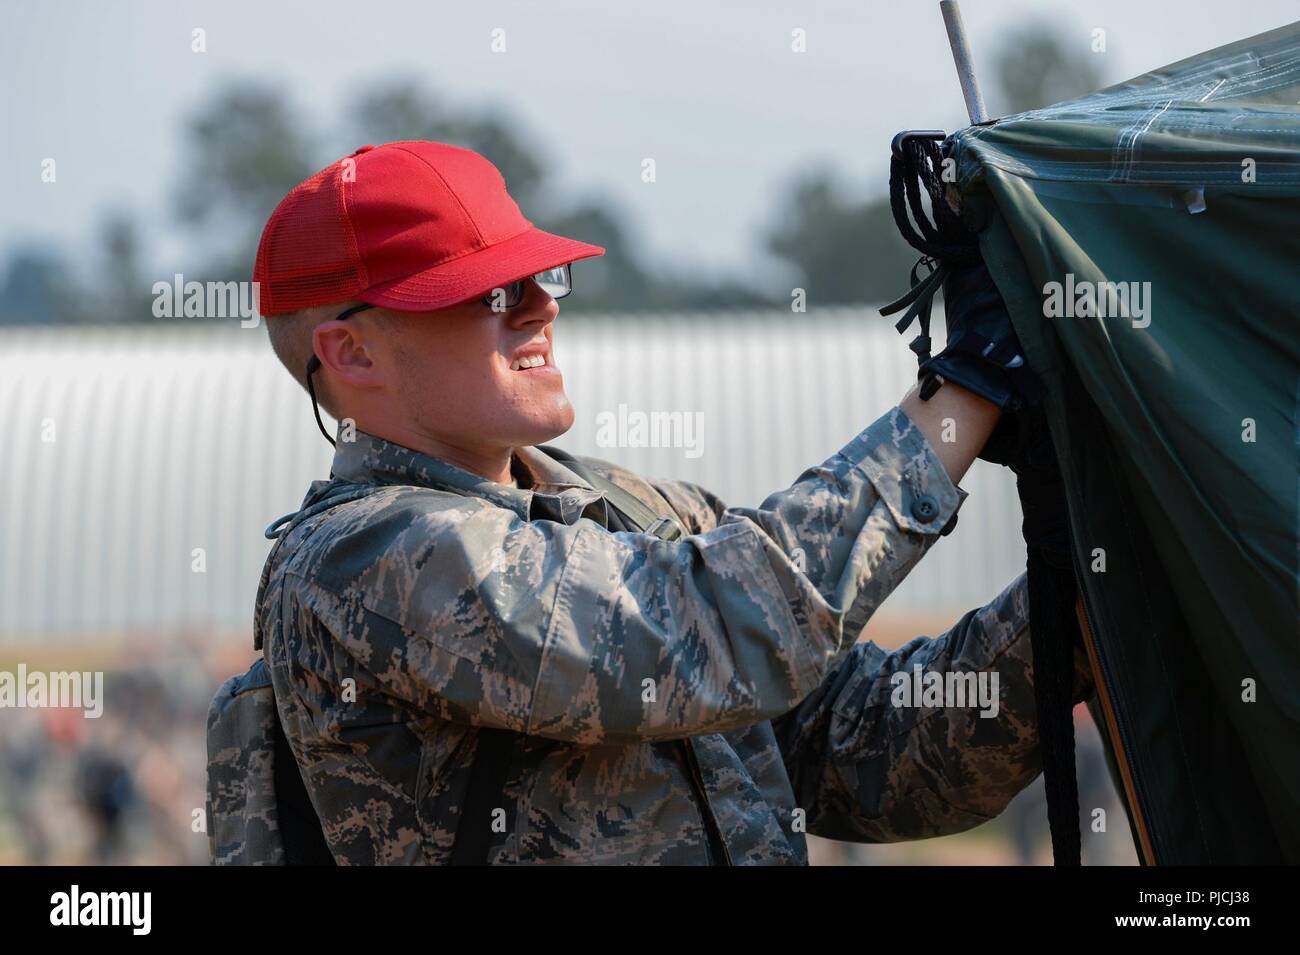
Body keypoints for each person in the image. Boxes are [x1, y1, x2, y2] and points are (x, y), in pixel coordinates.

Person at [253, 140, 1092, 864]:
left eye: (538, 276)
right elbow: (699, 635)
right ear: (353, 352)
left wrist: (1080, 600)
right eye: (491, 293)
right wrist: (963, 395)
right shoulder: (360, 558)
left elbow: (867, 751)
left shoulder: (632, 512)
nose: (542, 306)